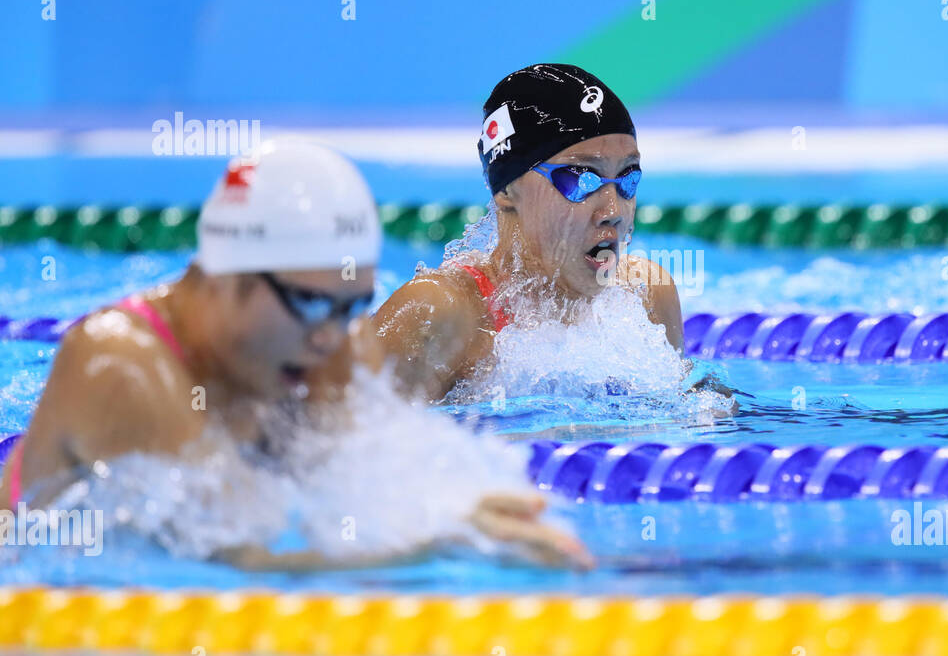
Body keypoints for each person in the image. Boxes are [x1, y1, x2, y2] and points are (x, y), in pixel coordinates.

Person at [0, 137, 588, 569]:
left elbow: (371, 474)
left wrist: (465, 507)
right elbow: (236, 561)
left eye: (350, 306)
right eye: (311, 304)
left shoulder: (323, 342)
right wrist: (439, 538)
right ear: (226, 279)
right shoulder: (120, 364)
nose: (333, 338)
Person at [375, 63, 684, 400]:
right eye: (581, 179)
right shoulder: (439, 314)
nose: (613, 212)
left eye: (628, 179)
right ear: (506, 189)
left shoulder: (647, 296)